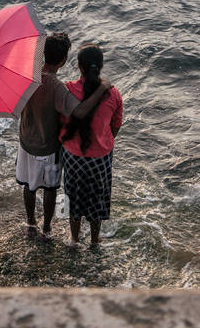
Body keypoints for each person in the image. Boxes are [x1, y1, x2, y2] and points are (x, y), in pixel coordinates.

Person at [16, 32, 110, 239]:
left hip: (25, 142)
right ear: (64, 60)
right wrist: (102, 88)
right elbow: (80, 112)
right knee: (50, 188)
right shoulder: (57, 88)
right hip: (47, 147)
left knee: (28, 186)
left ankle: (31, 224)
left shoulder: (27, 76)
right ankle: (47, 228)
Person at [59, 44, 123, 248]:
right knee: (97, 197)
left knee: (74, 195)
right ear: (101, 67)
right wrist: (102, 142)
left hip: (73, 155)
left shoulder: (68, 89)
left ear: (79, 67)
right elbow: (115, 126)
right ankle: (95, 241)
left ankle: (74, 239)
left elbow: (61, 119)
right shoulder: (114, 94)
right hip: (100, 157)